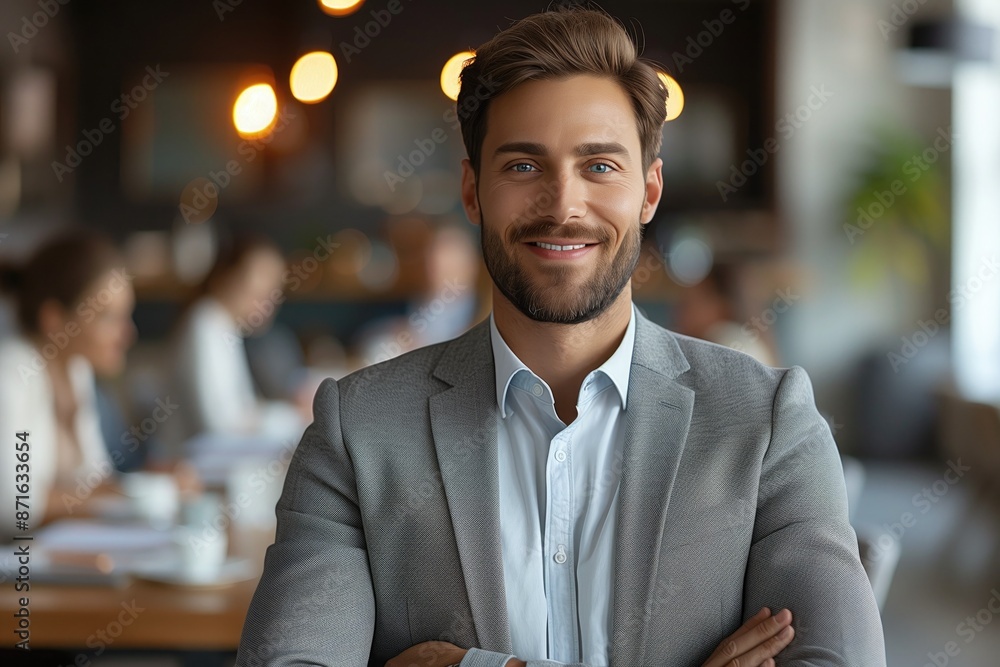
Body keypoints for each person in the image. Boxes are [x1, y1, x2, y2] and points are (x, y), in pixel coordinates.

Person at [237, 7, 886, 667]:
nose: (563, 205)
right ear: (472, 191)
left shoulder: (768, 421)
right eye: (523, 166)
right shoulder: (356, 430)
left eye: (599, 166)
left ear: (649, 191)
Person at [0, 230, 136, 539]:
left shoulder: (75, 369)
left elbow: (93, 478)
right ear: (54, 319)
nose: (128, 334)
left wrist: (148, 489)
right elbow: (15, 507)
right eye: (108, 318)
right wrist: (122, 497)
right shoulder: (12, 373)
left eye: (126, 315)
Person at [168, 233, 307, 451]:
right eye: (257, 289)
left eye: (274, 291)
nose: (267, 303)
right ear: (225, 277)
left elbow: (242, 412)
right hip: (191, 464)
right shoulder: (205, 323)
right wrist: (294, 416)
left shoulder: (223, 325)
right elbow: (221, 426)